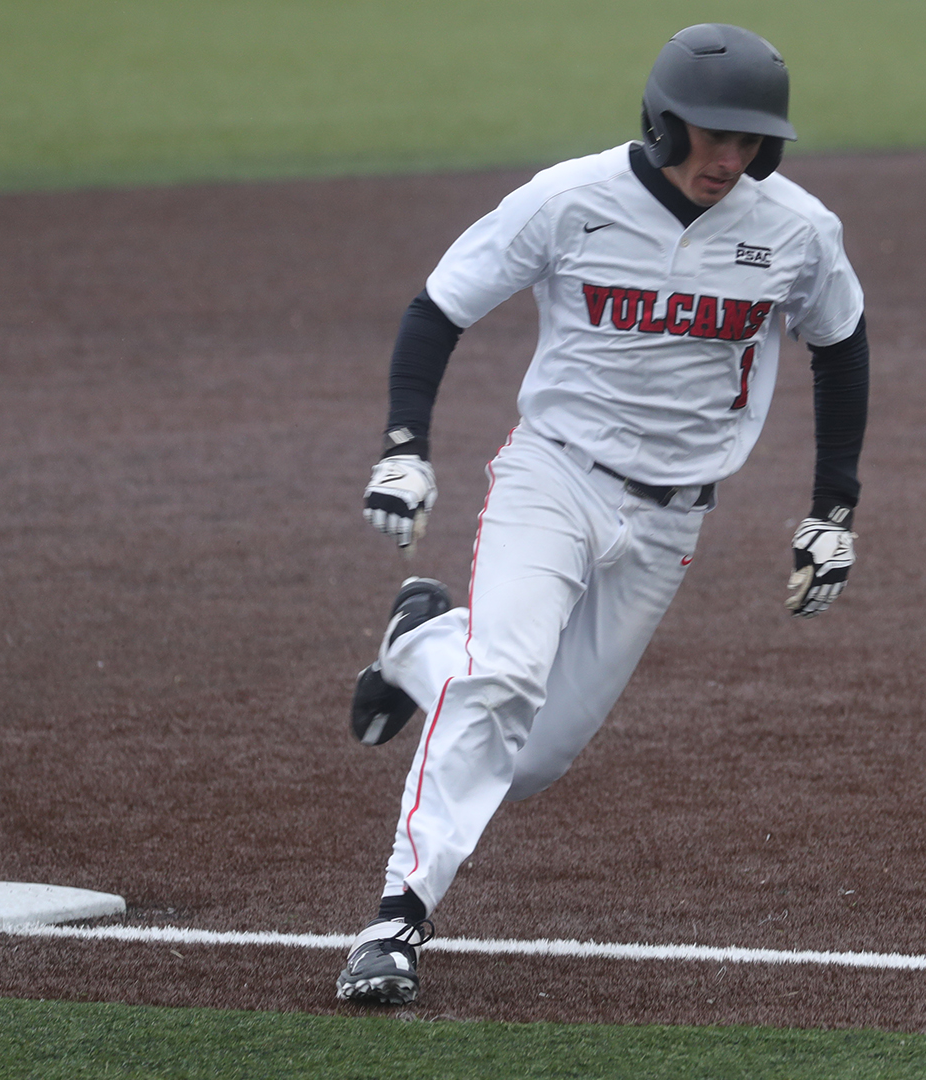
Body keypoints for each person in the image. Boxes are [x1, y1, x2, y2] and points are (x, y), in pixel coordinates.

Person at [336, 23, 870, 1005]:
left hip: (672, 518)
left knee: (530, 759)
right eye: (710, 134)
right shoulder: (568, 199)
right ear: (664, 123)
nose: (728, 157)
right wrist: (404, 449)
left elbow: (840, 342)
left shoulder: (796, 230)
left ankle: (417, 644)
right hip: (555, 479)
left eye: (748, 141)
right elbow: (440, 307)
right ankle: (397, 920)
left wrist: (832, 508)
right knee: (498, 685)